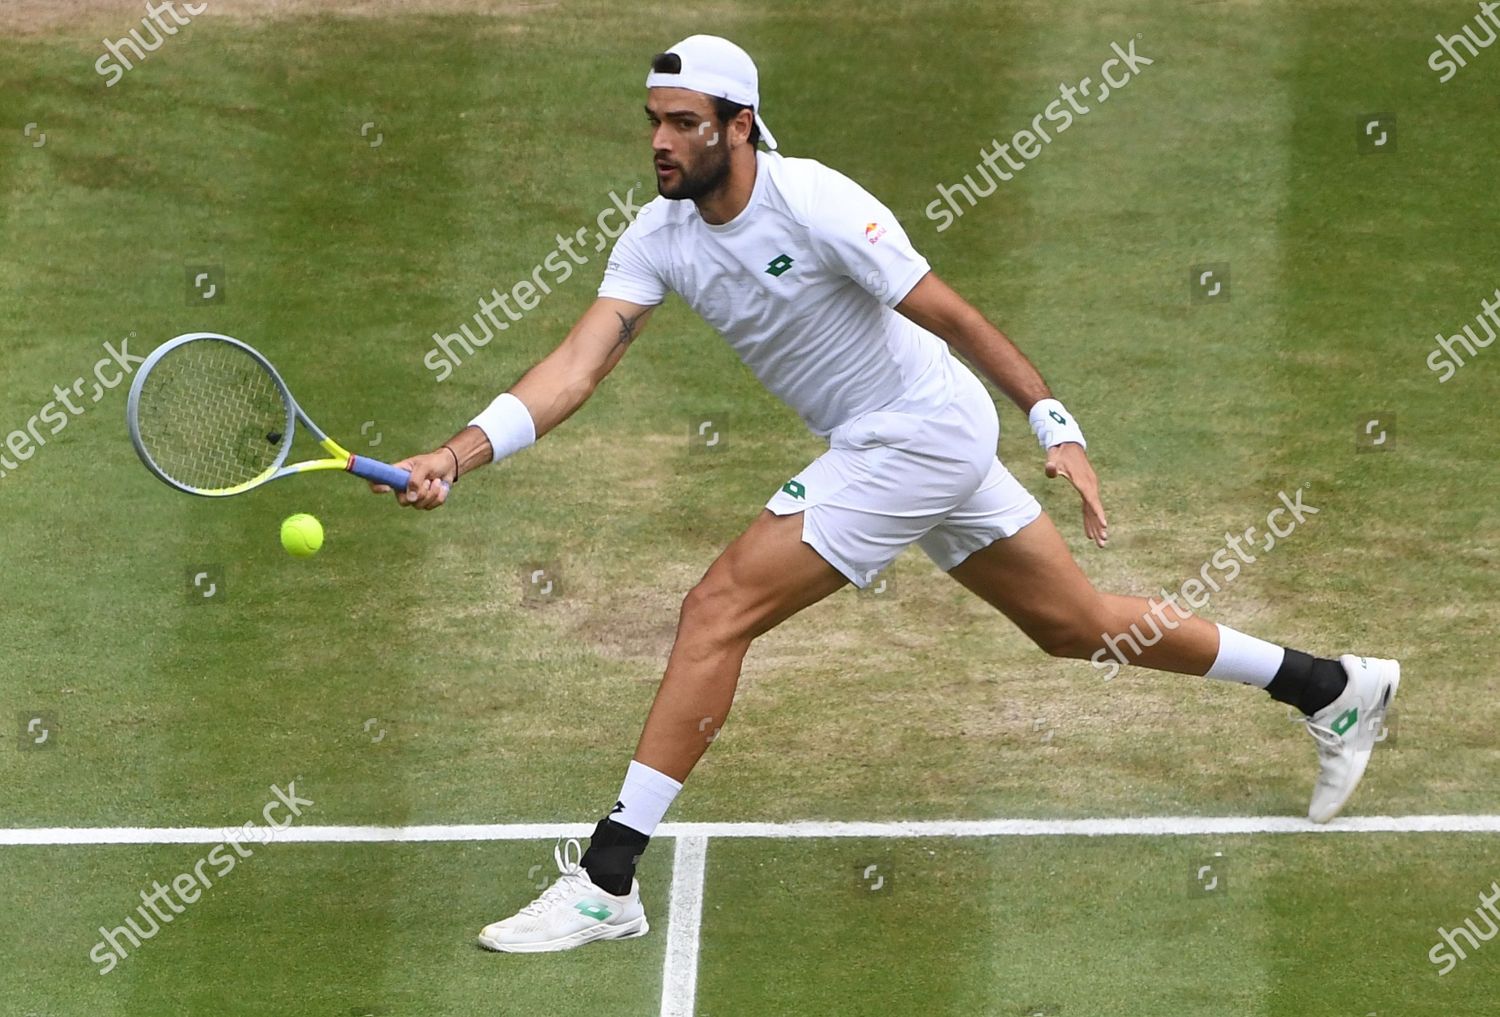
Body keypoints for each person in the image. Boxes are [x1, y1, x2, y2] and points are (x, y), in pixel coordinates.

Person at [373, 34, 1400, 954]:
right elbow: (576, 367)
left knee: (715, 610)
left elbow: (952, 313)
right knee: (1076, 624)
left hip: (918, 431)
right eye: (653, 121)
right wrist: (457, 455)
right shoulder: (657, 237)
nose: (661, 142)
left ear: (739, 125)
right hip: (902, 435)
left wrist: (1055, 423)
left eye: (685, 123)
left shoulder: (816, 201)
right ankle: (1328, 686)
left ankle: (608, 878)